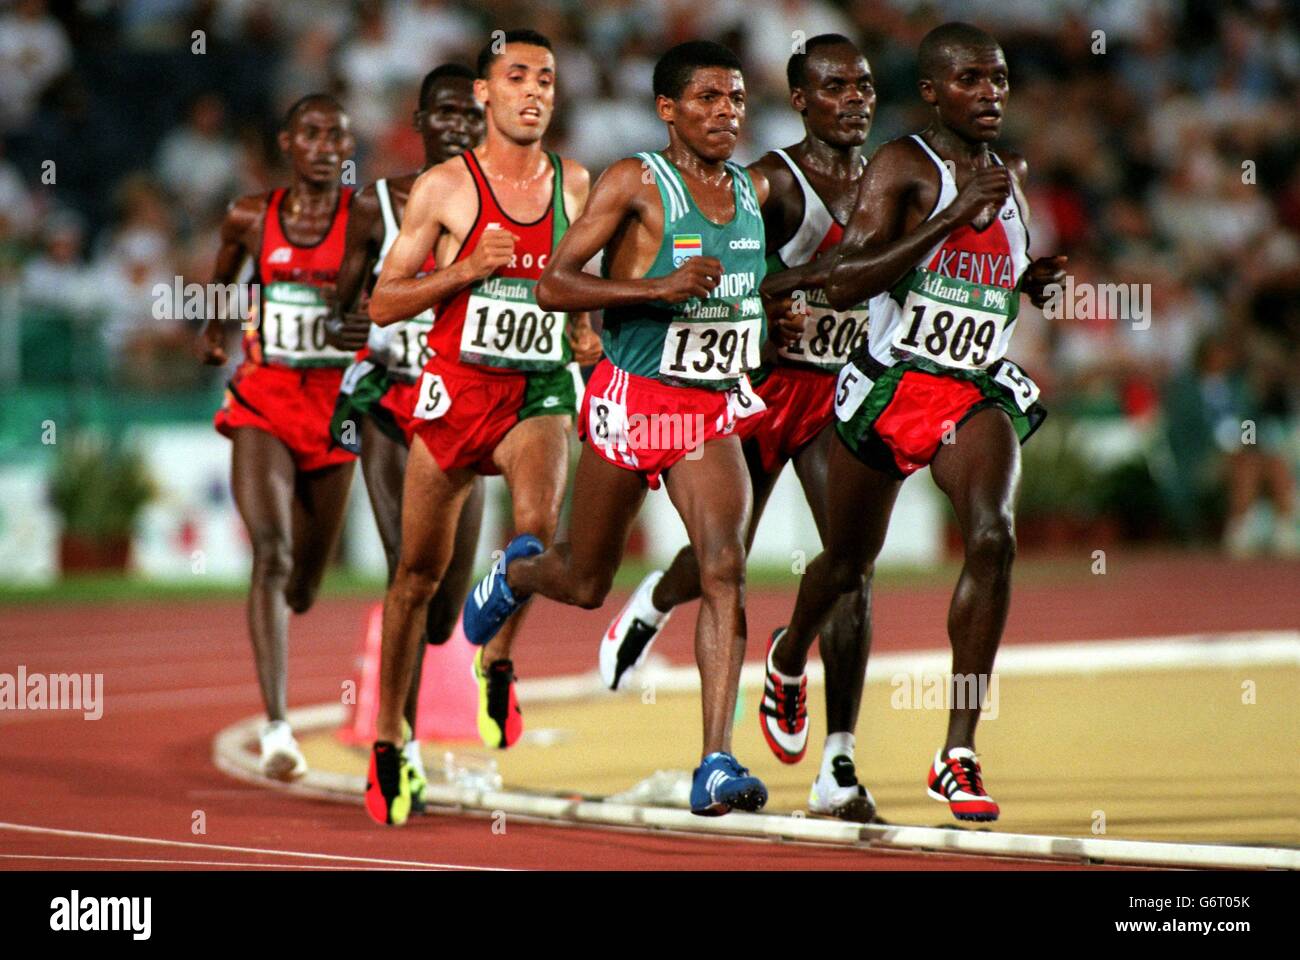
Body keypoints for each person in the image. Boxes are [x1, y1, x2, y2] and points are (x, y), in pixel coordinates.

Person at [462, 41, 775, 817]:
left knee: (724, 569)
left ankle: (715, 761)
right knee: (584, 580)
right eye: (706, 98)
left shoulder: (747, 188)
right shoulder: (637, 181)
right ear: (667, 110)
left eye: (734, 98)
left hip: (707, 407)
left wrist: (778, 313)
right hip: (635, 399)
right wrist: (659, 285)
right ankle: (515, 575)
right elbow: (553, 284)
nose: (724, 113)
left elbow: (746, 294)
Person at [769, 23, 1066, 822]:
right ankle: (790, 653)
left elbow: (981, 282)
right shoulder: (906, 164)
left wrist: (1027, 282)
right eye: (971, 79)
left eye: (999, 78)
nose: (991, 93)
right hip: (890, 386)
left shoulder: (1008, 175)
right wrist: (946, 218)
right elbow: (839, 284)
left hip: (972, 388)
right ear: (933, 91)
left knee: (994, 536)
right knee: (844, 565)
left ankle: (957, 751)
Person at [598, 35, 879, 822]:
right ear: (801, 100)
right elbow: (741, 276)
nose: (853, 99)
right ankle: (655, 596)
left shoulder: (898, 179)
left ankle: (835, 758)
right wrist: (782, 297)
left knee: (851, 562)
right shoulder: (767, 181)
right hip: (751, 388)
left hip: (830, 392)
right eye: (834, 87)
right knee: (723, 555)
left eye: (863, 86)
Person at [363, 30, 601, 826]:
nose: (534, 91)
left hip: (535, 390)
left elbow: (581, 289)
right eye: (517, 77)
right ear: (484, 95)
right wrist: (466, 269)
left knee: (534, 534)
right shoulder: (443, 188)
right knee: (416, 578)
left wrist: (585, 331)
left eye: (547, 79)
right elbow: (383, 302)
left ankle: (496, 658)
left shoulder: (576, 181)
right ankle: (391, 742)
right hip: (453, 395)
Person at [324, 64, 487, 809]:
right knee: (407, 569)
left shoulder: (508, 205)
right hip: (393, 407)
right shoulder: (374, 205)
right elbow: (338, 311)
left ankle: (406, 721)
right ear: (419, 123)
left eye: (469, 115)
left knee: (448, 604)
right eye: (444, 114)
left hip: (468, 409)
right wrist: (350, 322)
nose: (458, 125)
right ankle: (401, 747)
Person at [201, 94, 360, 781]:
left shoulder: (368, 223)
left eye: (338, 137)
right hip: (264, 397)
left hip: (335, 409)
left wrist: (366, 325)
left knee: (302, 586)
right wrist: (213, 330)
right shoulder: (249, 214)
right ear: (287, 142)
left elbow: (394, 295)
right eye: (313, 134)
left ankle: (294, 594)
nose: (326, 147)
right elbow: (224, 273)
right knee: (270, 551)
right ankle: (277, 727)